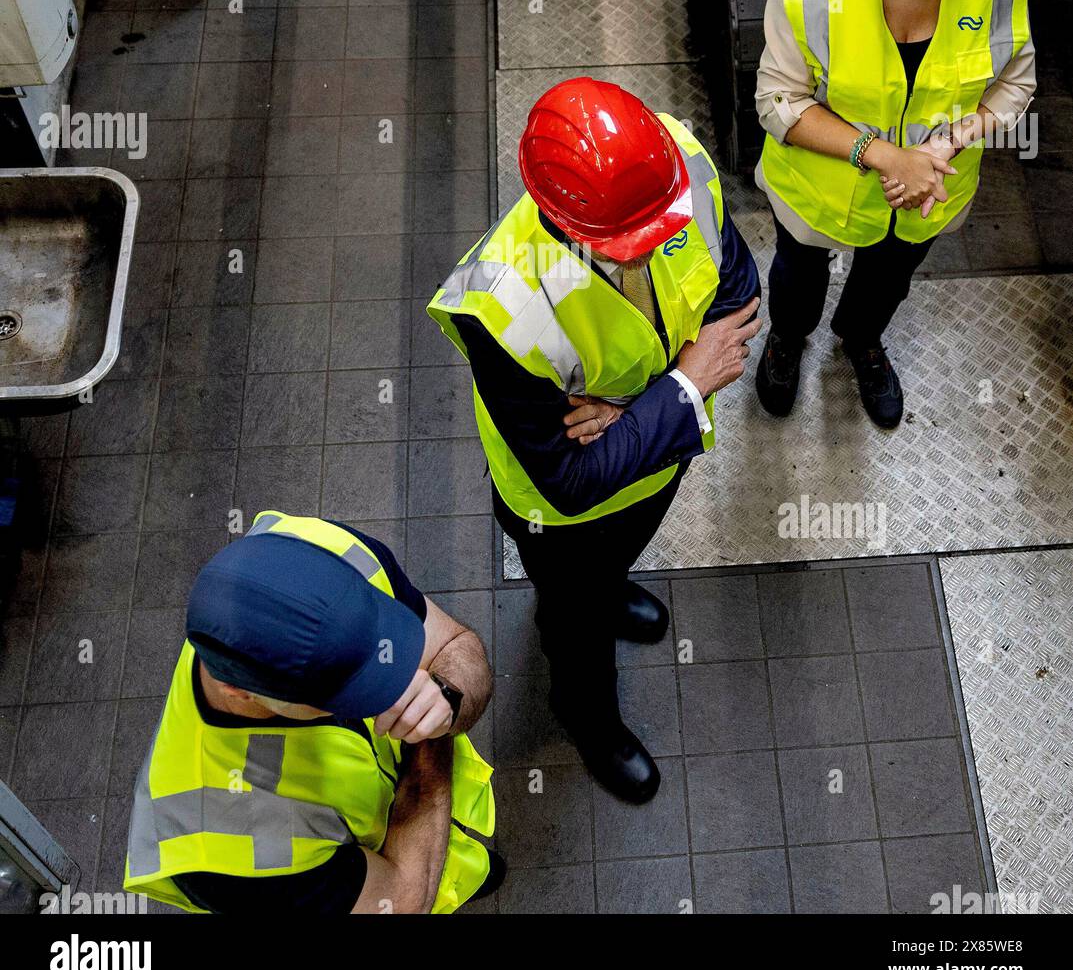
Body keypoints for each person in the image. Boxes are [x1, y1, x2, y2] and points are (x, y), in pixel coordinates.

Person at [428, 77, 760, 803]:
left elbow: (738, 299)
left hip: (651, 470)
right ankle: (583, 711)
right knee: (574, 623)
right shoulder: (502, 299)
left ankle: (605, 589)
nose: (645, 255)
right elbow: (568, 481)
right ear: (554, 212)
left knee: (615, 559)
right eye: (622, 246)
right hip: (562, 520)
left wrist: (643, 407)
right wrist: (683, 387)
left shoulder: (676, 166)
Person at [754, 0, 1037, 428]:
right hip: (820, 194)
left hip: (929, 194)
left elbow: (1014, 87)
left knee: (886, 281)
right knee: (798, 277)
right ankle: (785, 341)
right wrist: (886, 156)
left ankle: (861, 341)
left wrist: (945, 149)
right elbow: (777, 101)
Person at [123, 510, 499, 914]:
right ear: (240, 691)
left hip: (427, 830)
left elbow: (457, 645)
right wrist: (429, 741)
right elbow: (404, 901)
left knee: (479, 869)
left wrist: (448, 694)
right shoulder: (222, 854)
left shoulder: (325, 548)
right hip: (403, 860)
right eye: (343, 692)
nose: (396, 682)